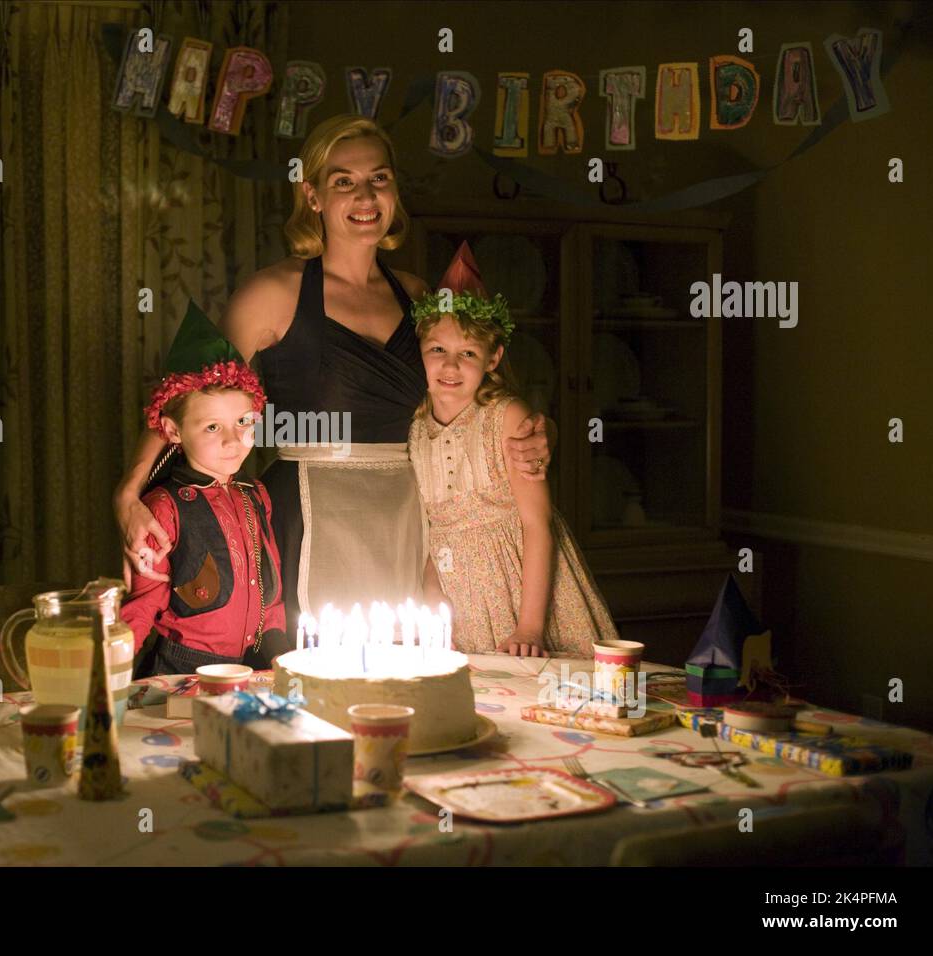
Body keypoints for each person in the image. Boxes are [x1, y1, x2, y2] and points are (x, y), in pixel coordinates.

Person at [113, 115, 557, 646]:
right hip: (305, 514)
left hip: (406, 514)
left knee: (398, 684)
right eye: (344, 181)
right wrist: (129, 492)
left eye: (379, 178)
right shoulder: (271, 293)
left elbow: (481, 395)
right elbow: (186, 402)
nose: (365, 195)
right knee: (310, 685)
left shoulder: (419, 297)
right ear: (313, 195)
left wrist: (536, 427)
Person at [408, 241, 619, 657]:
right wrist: (435, 615)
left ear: (492, 358)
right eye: (438, 350)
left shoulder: (506, 417)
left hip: (524, 592)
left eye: (467, 353)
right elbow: (432, 533)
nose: (450, 366)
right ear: (420, 351)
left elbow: (537, 524)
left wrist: (530, 627)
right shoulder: (415, 429)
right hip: (462, 600)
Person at [120, 301, 286, 676]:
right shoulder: (161, 509)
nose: (233, 440)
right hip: (184, 673)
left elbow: (271, 597)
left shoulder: (256, 496)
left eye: (243, 421)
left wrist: (280, 659)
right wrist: (105, 672)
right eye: (212, 427)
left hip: (256, 670)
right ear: (174, 431)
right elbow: (144, 602)